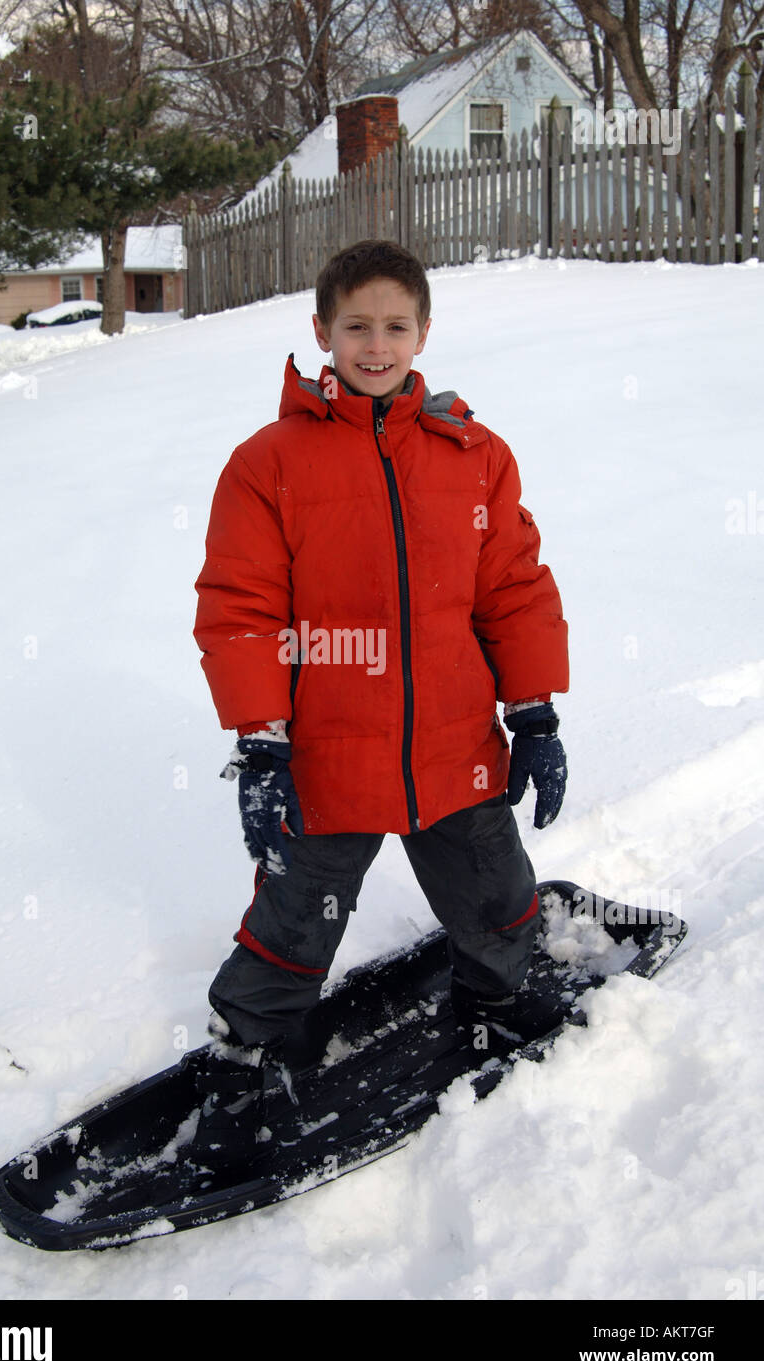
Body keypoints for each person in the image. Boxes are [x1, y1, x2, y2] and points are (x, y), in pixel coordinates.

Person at [191, 239, 569, 1160]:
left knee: (493, 890)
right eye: (355, 325)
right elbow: (241, 608)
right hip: (328, 747)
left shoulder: (472, 454)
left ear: (423, 332)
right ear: (321, 332)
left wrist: (534, 714)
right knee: (297, 907)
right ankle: (245, 1053)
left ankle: (497, 999)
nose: (375, 343)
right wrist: (263, 741)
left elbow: (512, 589)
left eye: (394, 325)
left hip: (452, 740)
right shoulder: (269, 461)